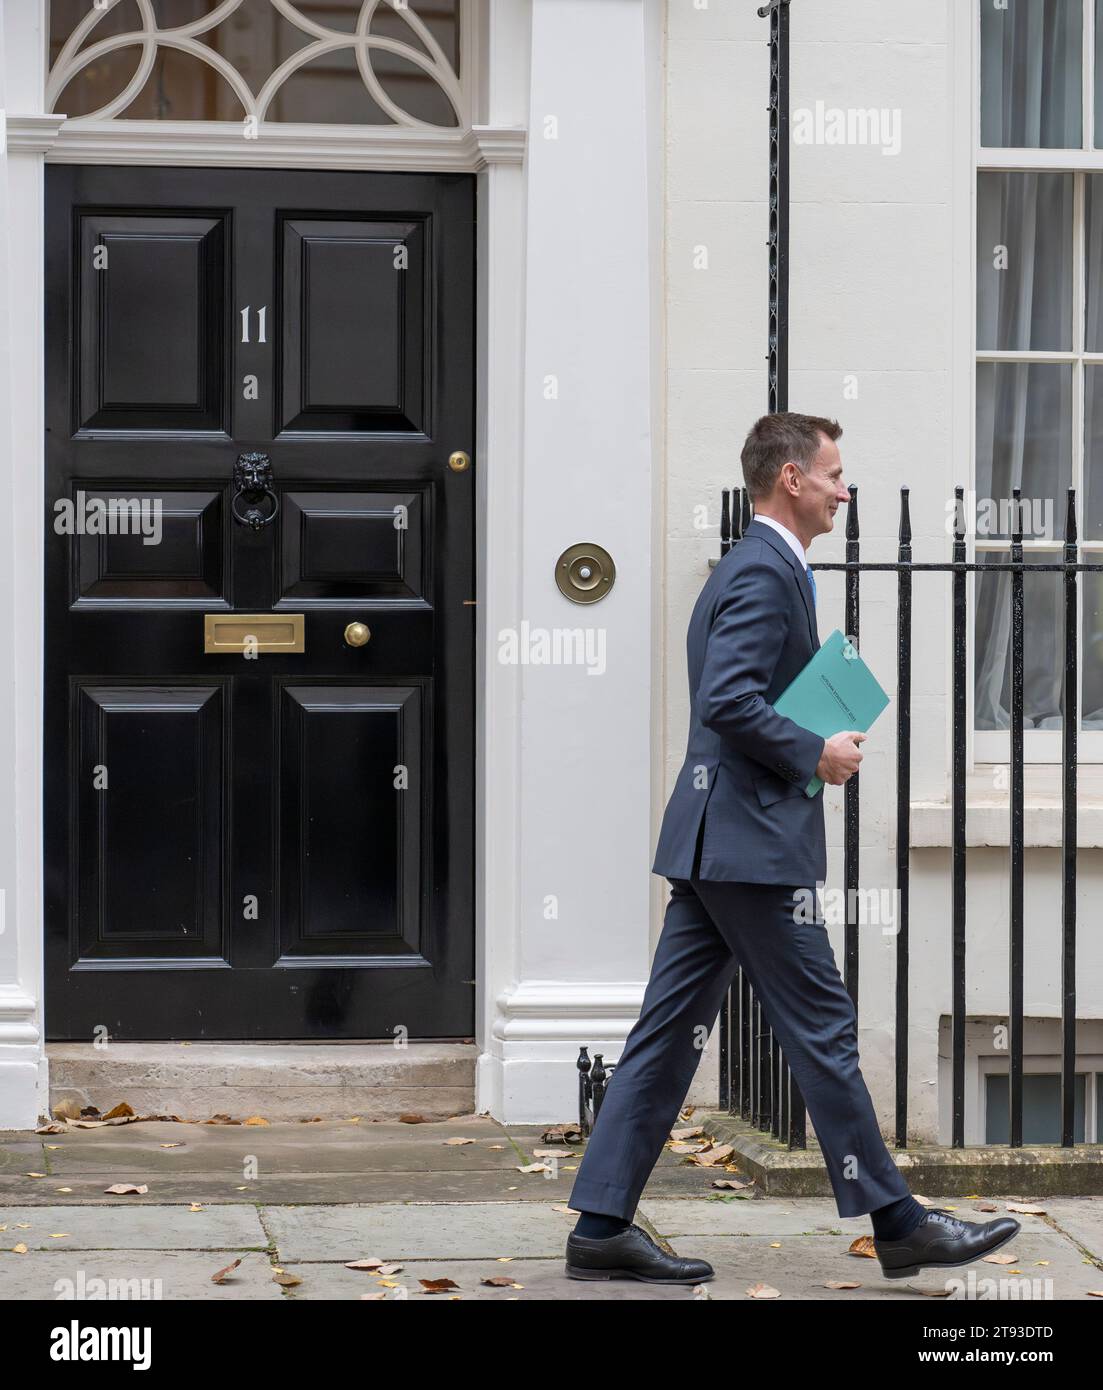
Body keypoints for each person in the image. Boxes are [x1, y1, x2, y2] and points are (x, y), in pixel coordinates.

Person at [565, 412, 1020, 1285]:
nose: (844, 490)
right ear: (791, 482)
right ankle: (898, 1222)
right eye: (835, 475)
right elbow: (728, 702)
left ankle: (598, 1228)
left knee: (665, 1036)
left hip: (720, 844)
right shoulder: (766, 573)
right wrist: (815, 751)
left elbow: (736, 697)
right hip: (748, 848)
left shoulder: (760, 567)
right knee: (821, 1027)